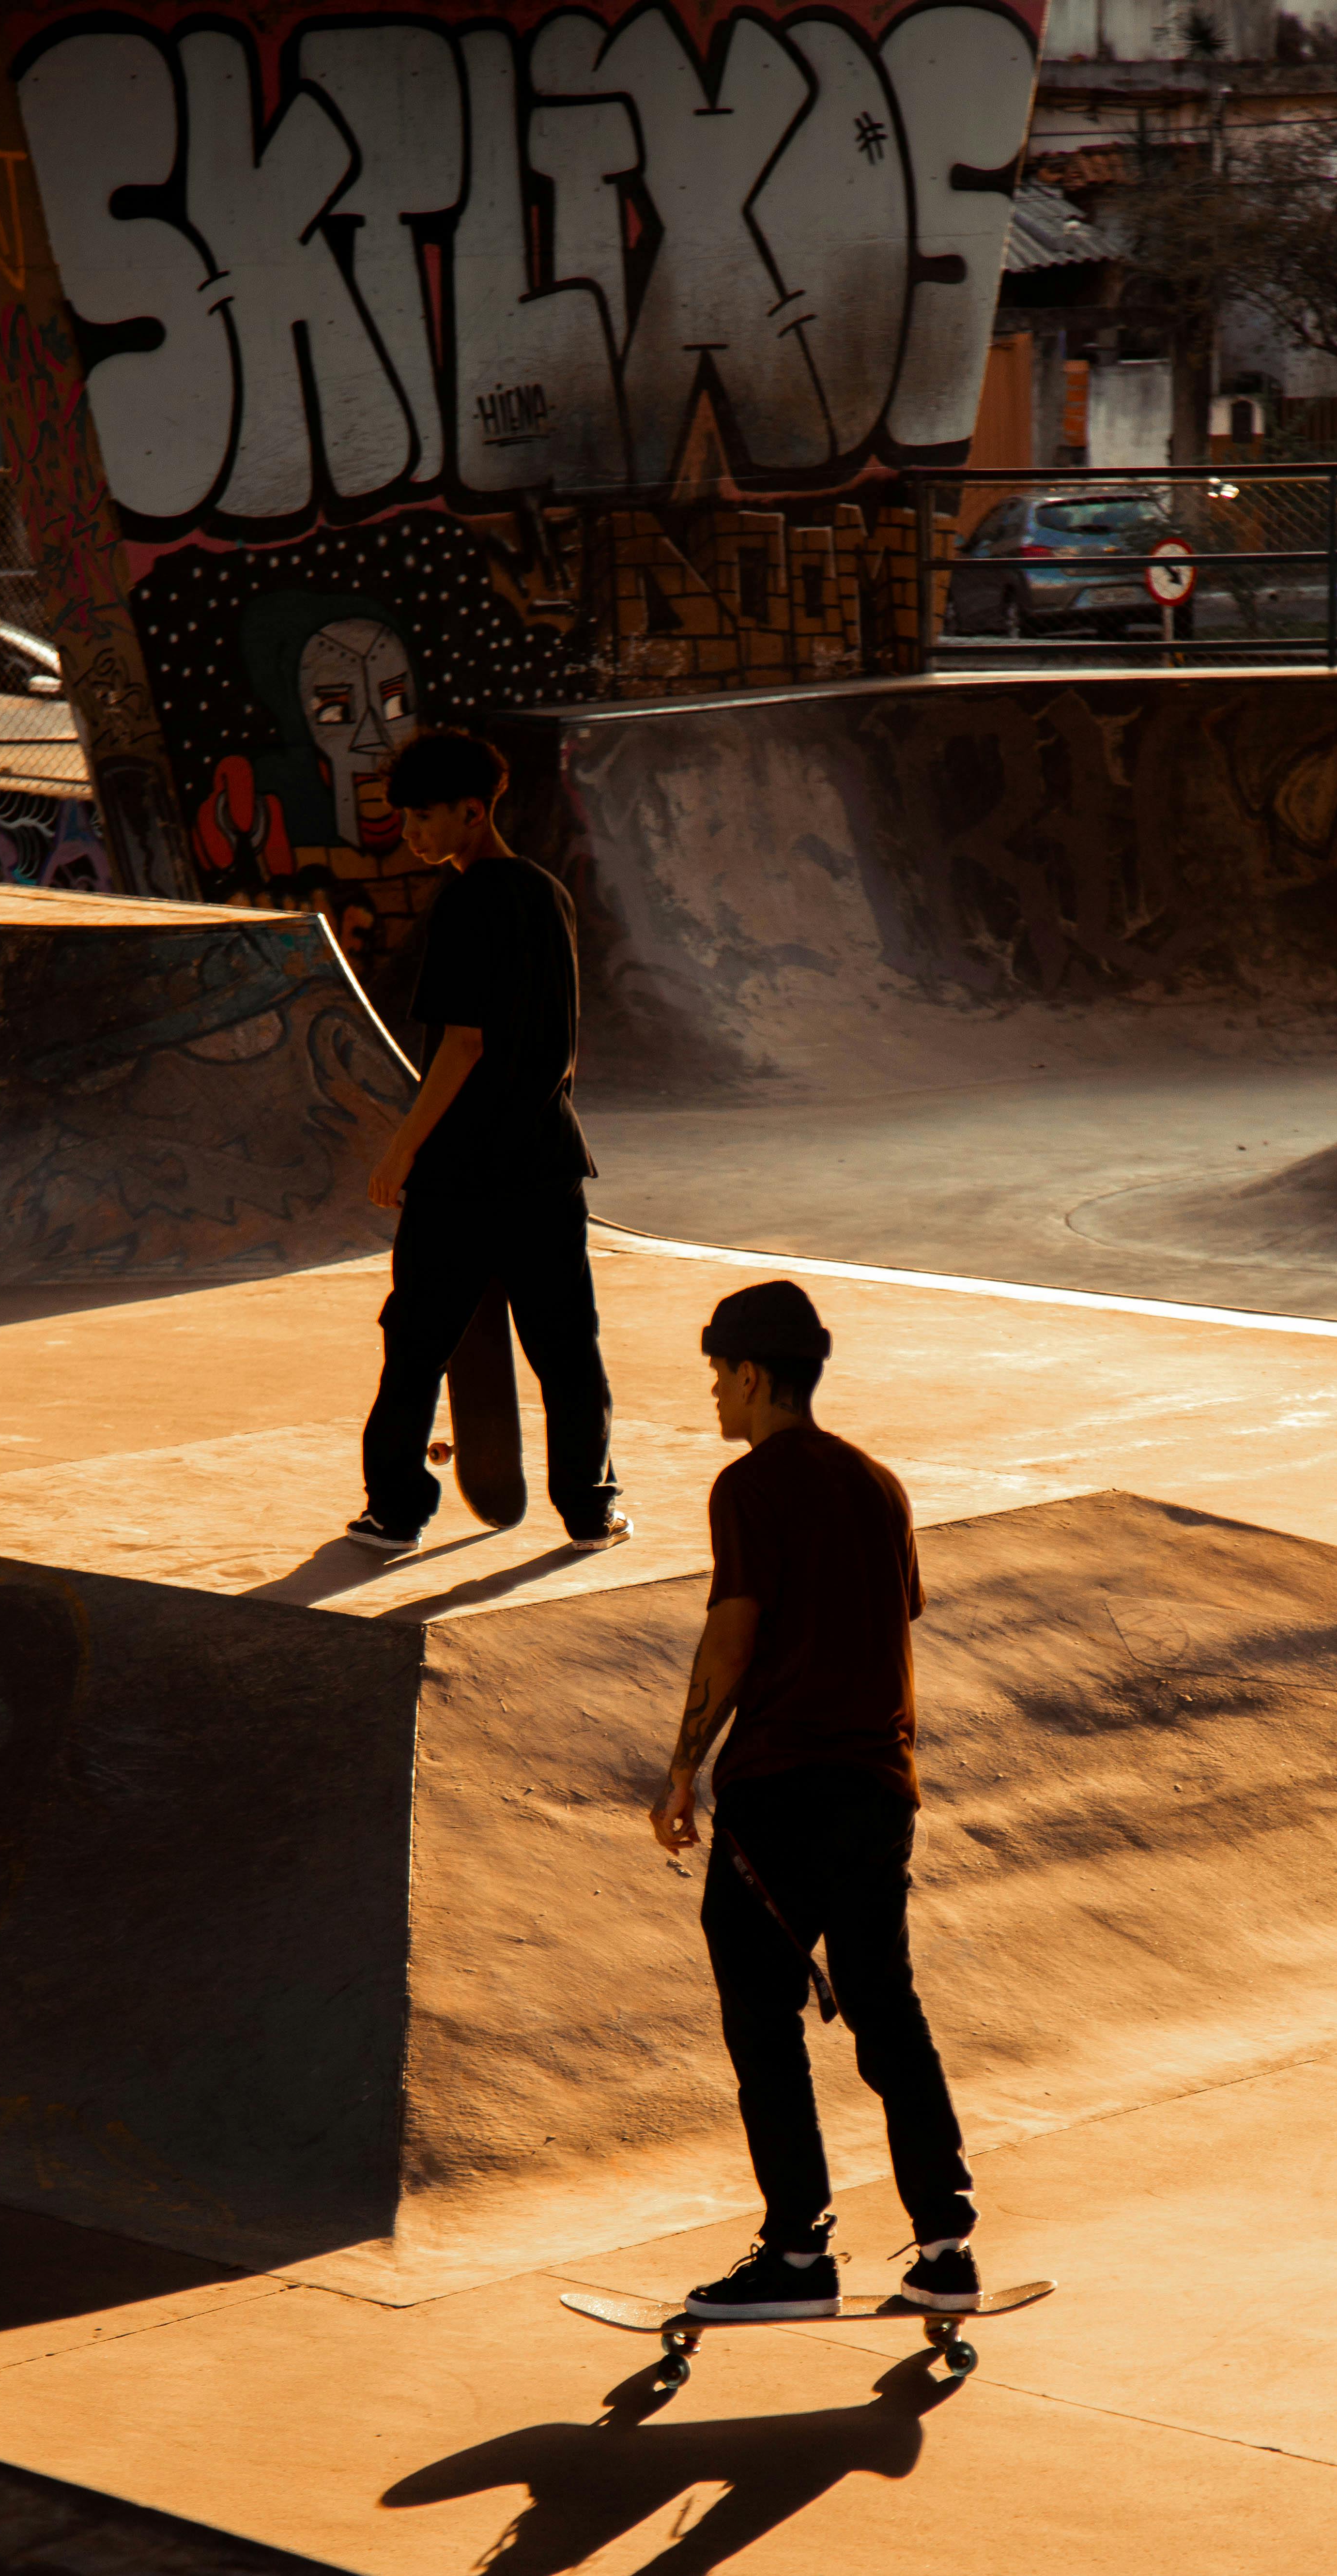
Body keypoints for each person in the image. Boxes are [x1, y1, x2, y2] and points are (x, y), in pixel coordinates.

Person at [649, 1280, 980, 2321]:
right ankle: (944, 2246)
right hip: (880, 1789)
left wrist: (681, 1765)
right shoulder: (879, 1486)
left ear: (752, 1375)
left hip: (780, 1789)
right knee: (885, 2006)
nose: (713, 1400)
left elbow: (733, 1634)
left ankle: (796, 2256)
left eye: (717, 1378)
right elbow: (892, 1618)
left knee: (763, 2018)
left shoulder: (749, 1486)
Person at [350, 727, 629, 1557]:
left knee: (417, 1344)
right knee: (567, 1347)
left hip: (463, 1175)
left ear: (474, 813)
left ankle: (395, 1511)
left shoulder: (469, 901)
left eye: (425, 819)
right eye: (405, 820)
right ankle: (590, 1509)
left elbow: (462, 1044)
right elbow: (564, 1041)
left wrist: (402, 1148)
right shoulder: (550, 895)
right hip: (546, 1163)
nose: (414, 835)